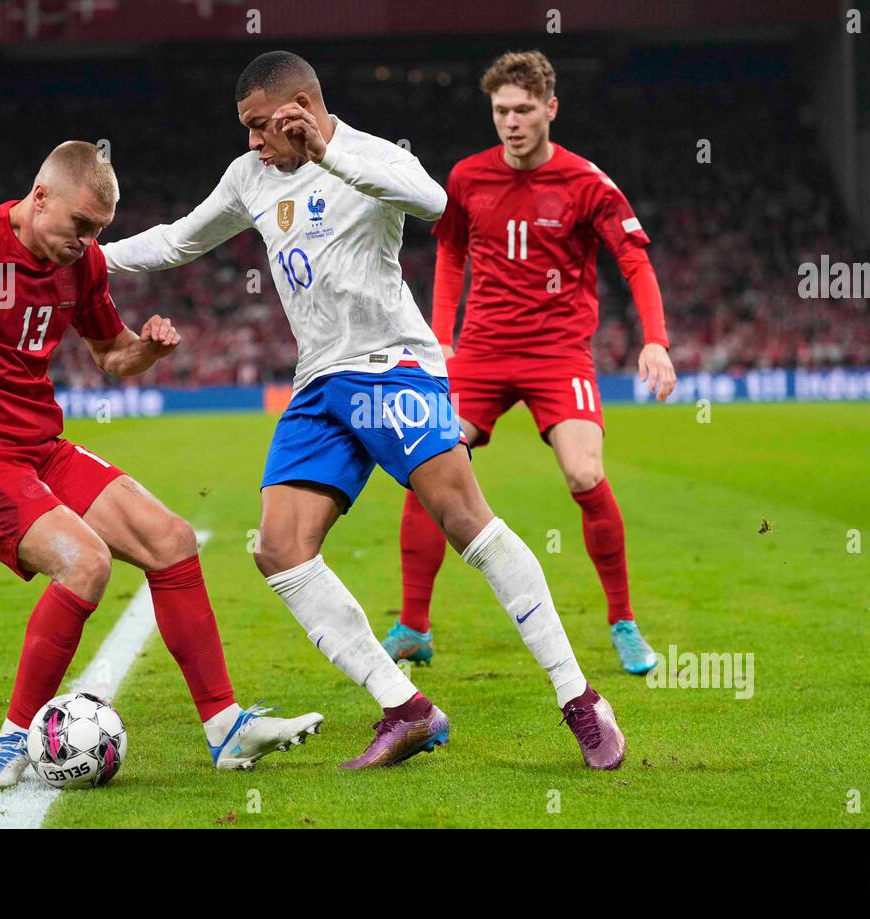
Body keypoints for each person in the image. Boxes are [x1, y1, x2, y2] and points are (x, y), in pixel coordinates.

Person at [103, 52, 625, 770]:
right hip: (317, 383)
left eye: (262, 127)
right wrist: (86, 258)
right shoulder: (248, 176)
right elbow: (179, 239)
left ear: (301, 108)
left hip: (391, 366)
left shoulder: (369, 157)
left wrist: (328, 151)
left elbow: (437, 202)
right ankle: (406, 706)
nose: (254, 142)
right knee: (278, 547)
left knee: (466, 520)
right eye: (247, 129)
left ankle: (579, 697)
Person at [0, 141, 321, 788]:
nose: (88, 242)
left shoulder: (81, 264)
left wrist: (146, 350)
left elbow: (111, 354)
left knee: (171, 540)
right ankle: (13, 743)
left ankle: (225, 725)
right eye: (79, 226)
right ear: (40, 198)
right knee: (86, 561)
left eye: (98, 231)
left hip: (37, 447)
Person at [384, 50, 677, 676]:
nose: (511, 122)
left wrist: (655, 338)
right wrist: (440, 337)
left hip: (557, 354)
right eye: (500, 111)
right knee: (427, 467)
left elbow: (634, 261)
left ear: (550, 109)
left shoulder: (586, 183)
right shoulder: (466, 177)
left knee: (582, 473)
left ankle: (623, 621)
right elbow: (453, 257)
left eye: (522, 110)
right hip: (481, 354)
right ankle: (413, 627)